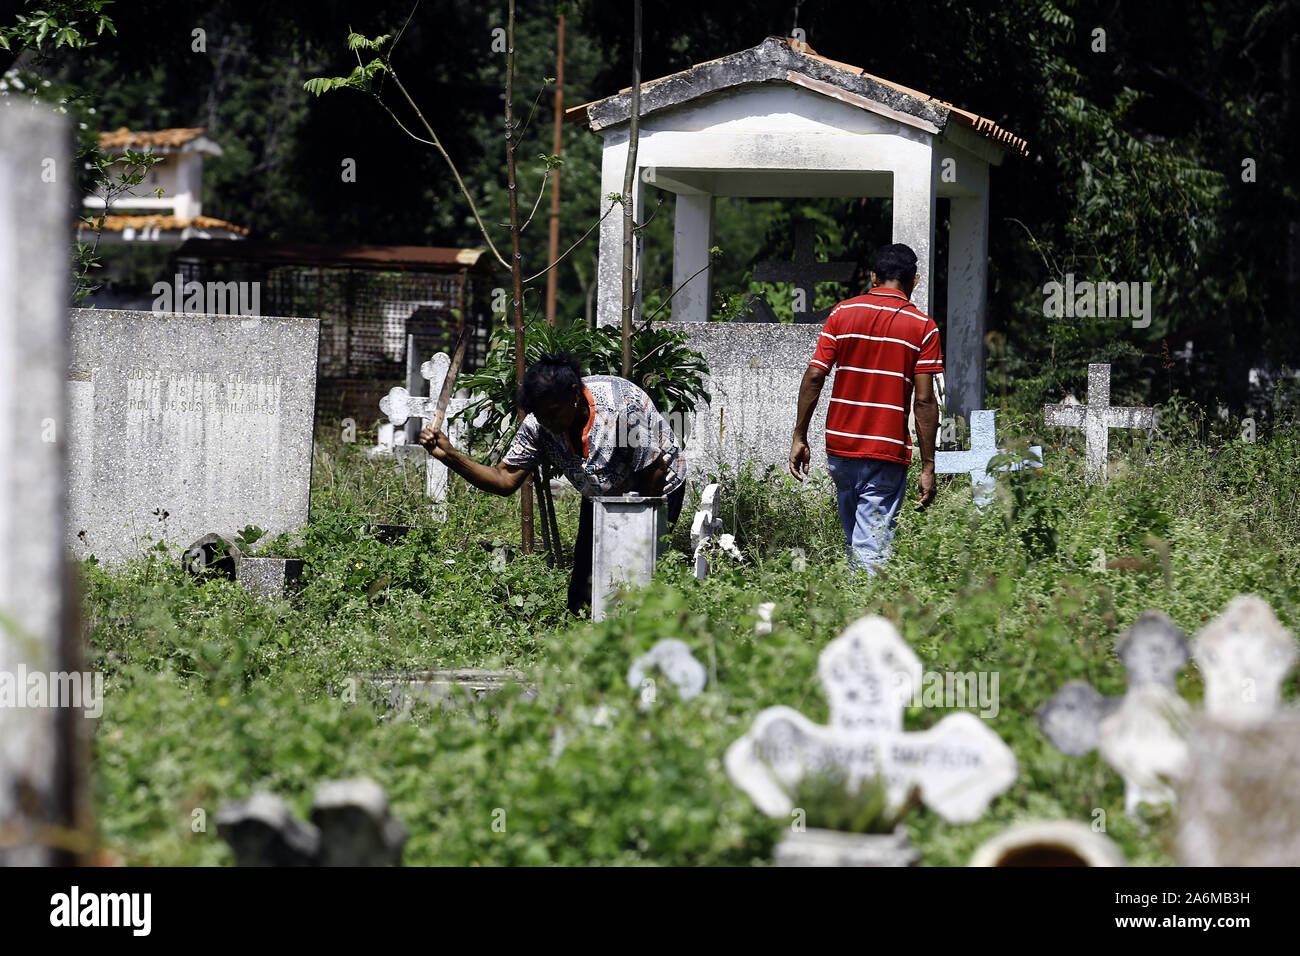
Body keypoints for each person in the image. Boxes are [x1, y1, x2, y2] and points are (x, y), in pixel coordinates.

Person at [418, 353, 687, 616]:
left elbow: (654, 470)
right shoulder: (538, 425)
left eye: (553, 413)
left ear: (574, 394)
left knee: (637, 572)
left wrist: (630, 534)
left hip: (657, 486)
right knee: (584, 587)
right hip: (600, 492)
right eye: (540, 415)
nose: (548, 423)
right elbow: (504, 480)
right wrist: (451, 457)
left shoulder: (622, 408)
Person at [788, 243, 942, 574]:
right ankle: (863, 616)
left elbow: (815, 375)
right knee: (871, 545)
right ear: (914, 281)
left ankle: (848, 611)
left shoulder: (841, 314)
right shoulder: (923, 327)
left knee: (857, 540)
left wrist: (799, 435)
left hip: (841, 448)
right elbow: (925, 401)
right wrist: (928, 465)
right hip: (886, 450)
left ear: (873, 277)